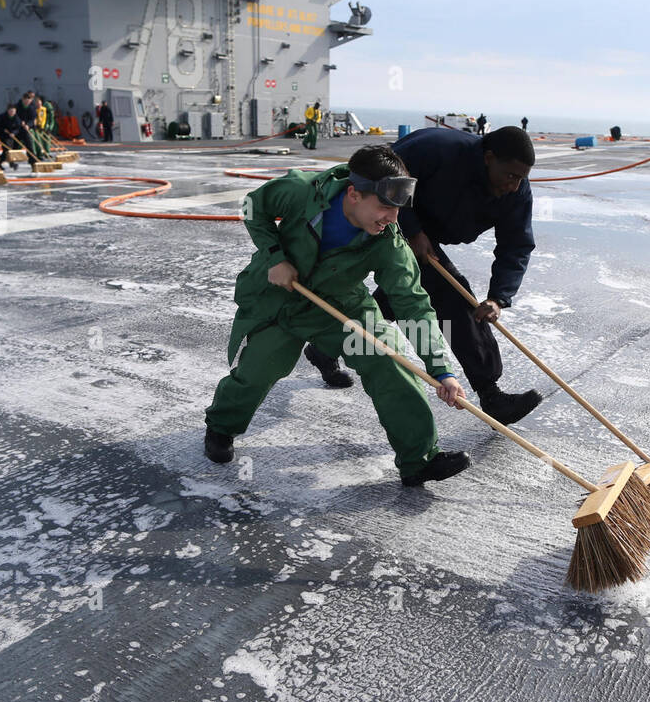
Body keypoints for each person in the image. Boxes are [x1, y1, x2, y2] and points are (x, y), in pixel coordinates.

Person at [204, 145, 471, 487]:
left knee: (388, 360)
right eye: (384, 207)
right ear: (353, 194)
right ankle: (221, 427)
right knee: (258, 370)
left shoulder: (388, 243)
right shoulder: (301, 192)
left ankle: (419, 459)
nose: (392, 218)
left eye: (398, 210)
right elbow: (253, 206)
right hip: (281, 296)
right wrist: (274, 256)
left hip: (341, 303)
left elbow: (413, 305)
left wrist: (441, 370)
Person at [307, 125, 542, 425]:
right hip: (382, 218)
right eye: (510, 175)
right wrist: (412, 229)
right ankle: (490, 394)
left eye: (522, 178)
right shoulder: (437, 147)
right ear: (489, 157)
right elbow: (387, 178)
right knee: (453, 293)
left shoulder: (517, 190)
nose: (515, 185)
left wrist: (499, 297)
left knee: (396, 299)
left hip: (427, 235)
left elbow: (516, 243)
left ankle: (325, 347)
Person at [0, 103, 35, 171]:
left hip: (12, 135)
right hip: (4, 135)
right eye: (11, 111)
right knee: (7, 149)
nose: (12, 113)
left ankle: (11, 163)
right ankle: (1, 163)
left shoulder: (17, 118)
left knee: (11, 149)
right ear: (8, 110)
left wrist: (14, 133)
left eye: (13, 111)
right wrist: (3, 130)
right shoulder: (2, 116)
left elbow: (18, 128)